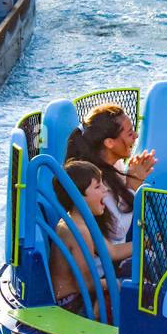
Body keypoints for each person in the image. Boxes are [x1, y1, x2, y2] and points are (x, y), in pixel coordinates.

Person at [50, 160, 131, 318]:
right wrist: (115, 284)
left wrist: (148, 242)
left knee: (128, 270)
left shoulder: (78, 220)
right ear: (79, 196)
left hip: (75, 297)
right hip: (71, 305)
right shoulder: (79, 230)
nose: (105, 190)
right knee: (125, 292)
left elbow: (112, 251)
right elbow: (86, 284)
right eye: (98, 186)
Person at [67, 104, 157, 244]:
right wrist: (133, 184)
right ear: (109, 143)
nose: (136, 136)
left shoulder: (115, 163)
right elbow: (117, 231)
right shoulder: (95, 180)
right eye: (129, 133)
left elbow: (121, 207)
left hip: (125, 241)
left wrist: (131, 177)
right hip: (114, 260)